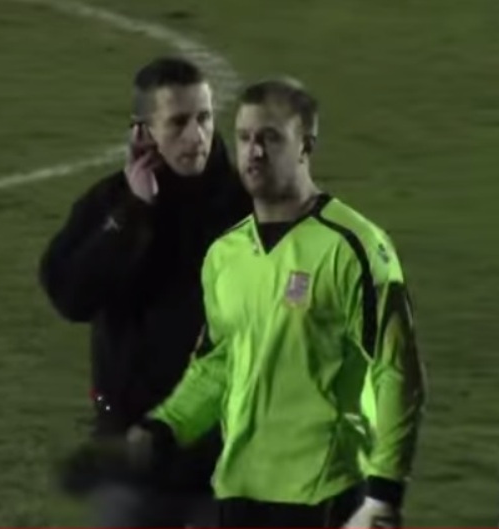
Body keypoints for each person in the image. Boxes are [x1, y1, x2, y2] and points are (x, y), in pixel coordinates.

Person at [127, 78, 427, 528]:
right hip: (240, 488)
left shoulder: (354, 247)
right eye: (245, 138)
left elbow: (398, 372)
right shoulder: (225, 256)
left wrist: (384, 492)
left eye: (270, 138)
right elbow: (219, 363)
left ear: (305, 146)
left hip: (328, 492)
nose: (254, 152)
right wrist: (167, 426)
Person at [39, 56, 252, 527]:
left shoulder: (246, 207)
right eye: (177, 122)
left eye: (204, 118)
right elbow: (71, 296)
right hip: (133, 453)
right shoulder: (111, 204)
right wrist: (135, 211)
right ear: (143, 131)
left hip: (226, 456)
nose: (195, 136)